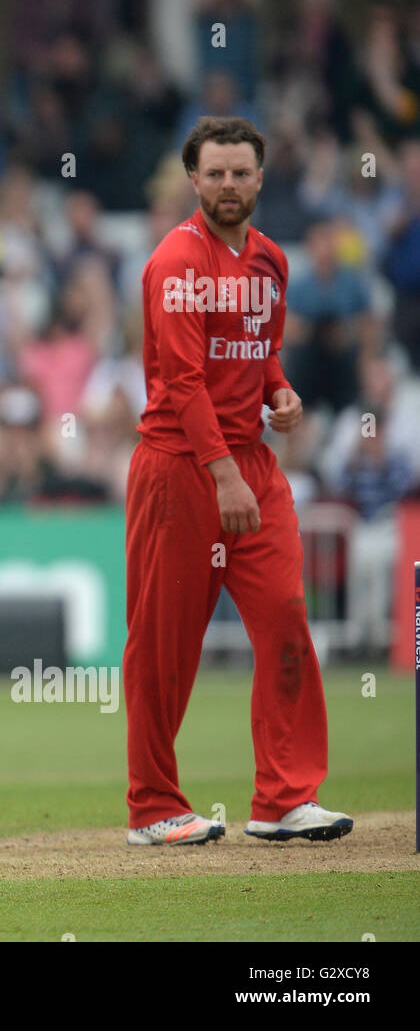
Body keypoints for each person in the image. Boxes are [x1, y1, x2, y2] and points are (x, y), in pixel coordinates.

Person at [123, 116, 353, 846]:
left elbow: (262, 352)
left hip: (248, 461)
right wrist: (223, 473)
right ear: (193, 179)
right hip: (181, 466)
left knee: (285, 613)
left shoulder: (271, 262)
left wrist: (280, 393)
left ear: (261, 177)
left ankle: (283, 798)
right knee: (165, 642)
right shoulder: (177, 261)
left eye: (240, 173)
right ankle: (153, 804)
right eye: (214, 173)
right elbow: (183, 381)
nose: (228, 185)